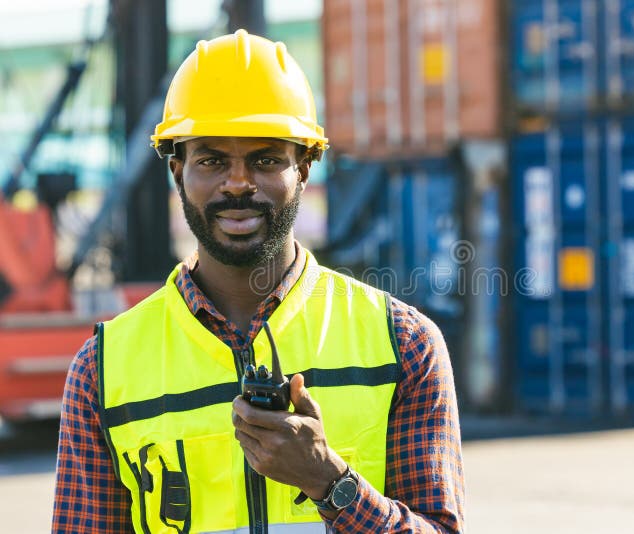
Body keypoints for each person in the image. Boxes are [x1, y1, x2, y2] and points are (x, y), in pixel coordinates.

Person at [52, 30, 465, 533]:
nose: (238, 183)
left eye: (266, 159)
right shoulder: (103, 371)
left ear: (306, 167)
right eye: (212, 160)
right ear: (177, 170)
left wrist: (329, 482)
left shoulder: (403, 344)